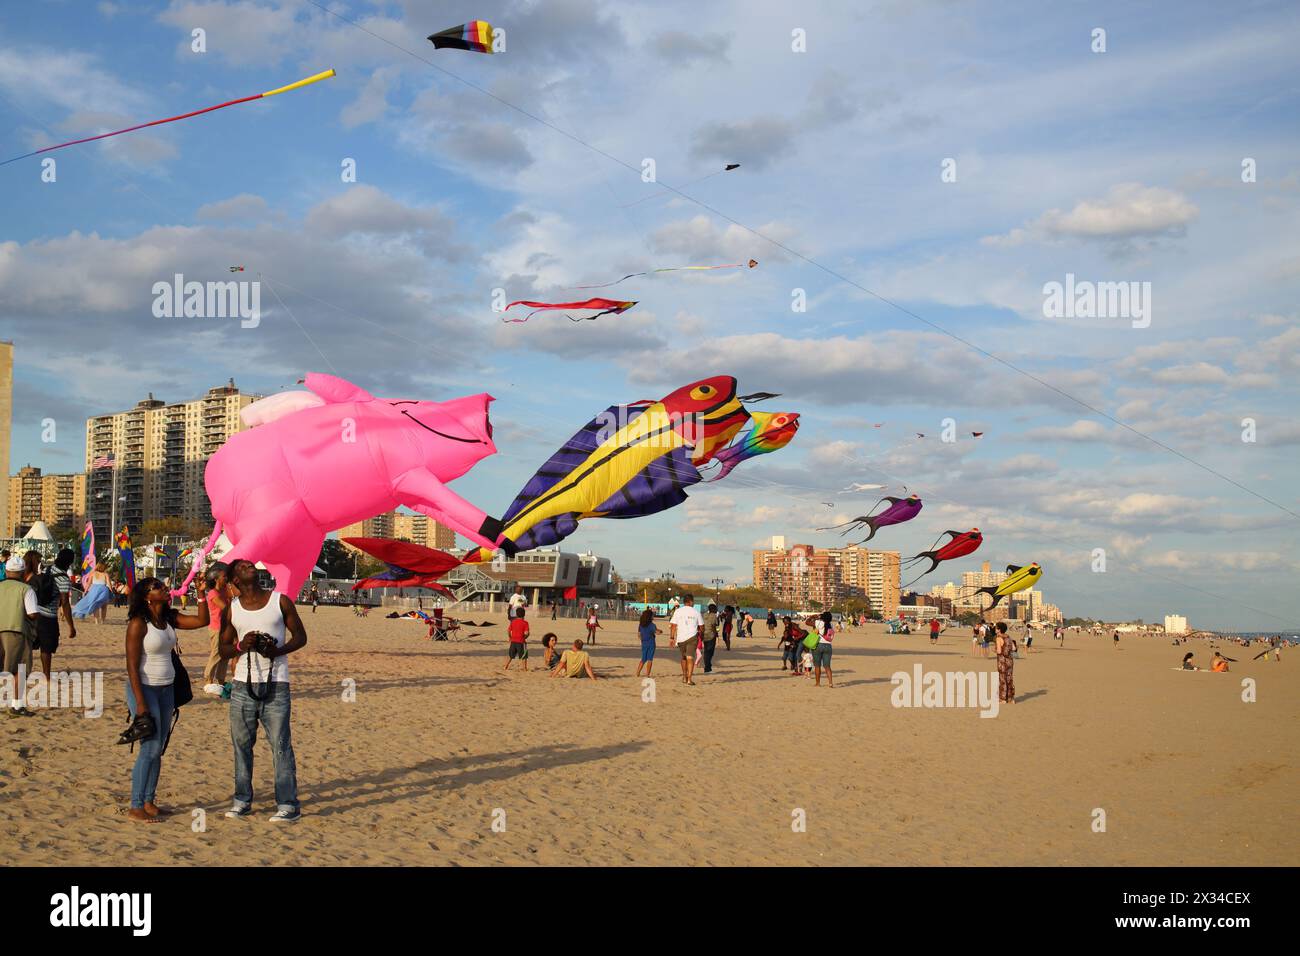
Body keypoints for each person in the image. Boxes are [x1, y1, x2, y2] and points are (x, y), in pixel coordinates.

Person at [219, 558, 308, 822]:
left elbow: (301, 637)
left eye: (251, 564)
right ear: (235, 580)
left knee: (280, 745)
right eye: (244, 567)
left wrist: (276, 651)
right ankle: (242, 800)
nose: (251, 566)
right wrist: (241, 645)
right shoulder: (232, 609)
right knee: (242, 746)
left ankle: (288, 804)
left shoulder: (280, 601)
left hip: (277, 682)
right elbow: (223, 649)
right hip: (242, 685)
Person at [123, 574, 209, 821]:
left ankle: (149, 801)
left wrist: (200, 593)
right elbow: (131, 665)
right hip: (145, 688)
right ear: (147, 597)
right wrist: (140, 703)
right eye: (157, 587)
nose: (164, 588)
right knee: (149, 748)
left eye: (162, 585)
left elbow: (203, 620)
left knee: (158, 747)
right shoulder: (139, 623)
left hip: (166, 688)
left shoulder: (168, 618)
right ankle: (136, 804)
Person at [0, 554, 39, 717]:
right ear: (23, 572)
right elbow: (32, 613)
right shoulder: (26, 589)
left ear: (7, 571)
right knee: (20, 670)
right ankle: (17, 705)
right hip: (16, 631)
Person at [31, 548, 76, 681]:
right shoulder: (63, 578)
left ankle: (24, 672)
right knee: (46, 648)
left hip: (34, 612)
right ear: (70, 562)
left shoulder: (46, 569)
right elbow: (65, 603)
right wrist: (71, 626)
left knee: (30, 644)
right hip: (48, 616)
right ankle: (46, 675)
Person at [202, 562, 231, 695]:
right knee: (216, 653)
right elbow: (225, 607)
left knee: (225, 655)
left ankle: (220, 679)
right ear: (216, 579)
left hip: (227, 627)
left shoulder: (225, 589)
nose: (226, 578)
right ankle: (208, 679)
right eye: (224, 576)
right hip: (217, 627)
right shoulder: (213, 593)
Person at [669, 593, 704, 686]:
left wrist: (672, 638)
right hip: (692, 637)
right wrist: (701, 634)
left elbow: (673, 625)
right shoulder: (696, 612)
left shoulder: (678, 611)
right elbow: (701, 626)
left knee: (684, 657)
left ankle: (684, 676)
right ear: (691, 601)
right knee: (690, 657)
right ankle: (689, 679)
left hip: (680, 638)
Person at [994, 621, 1015, 704]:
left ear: (999, 630)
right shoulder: (1009, 637)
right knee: (1009, 679)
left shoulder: (998, 638)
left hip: (1002, 661)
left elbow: (999, 651)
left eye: (996, 628)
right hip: (1010, 660)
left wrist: (994, 650)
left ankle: (1003, 699)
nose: (995, 629)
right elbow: (1013, 648)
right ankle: (1011, 698)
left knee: (1002, 679)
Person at [504, 606, 529, 671]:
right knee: (524, 655)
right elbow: (526, 633)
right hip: (521, 641)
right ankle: (524, 668)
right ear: (524, 614)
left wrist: (510, 637)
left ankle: (506, 666)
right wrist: (525, 637)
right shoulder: (525, 623)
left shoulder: (513, 622)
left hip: (513, 641)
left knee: (511, 655)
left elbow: (508, 630)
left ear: (516, 614)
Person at [814, 610, 834, 687]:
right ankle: (830, 683)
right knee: (827, 666)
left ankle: (818, 683)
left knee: (817, 666)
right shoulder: (831, 624)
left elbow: (807, 622)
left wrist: (816, 616)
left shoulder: (818, 623)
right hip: (828, 646)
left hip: (818, 644)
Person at [636, 609, 658, 678]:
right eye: (652, 615)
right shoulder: (652, 625)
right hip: (651, 643)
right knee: (650, 659)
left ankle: (638, 673)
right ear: (650, 616)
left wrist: (642, 640)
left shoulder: (641, 625)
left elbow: (639, 635)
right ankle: (647, 674)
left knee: (643, 659)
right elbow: (657, 632)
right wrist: (660, 631)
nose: (653, 616)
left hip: (644, 643)